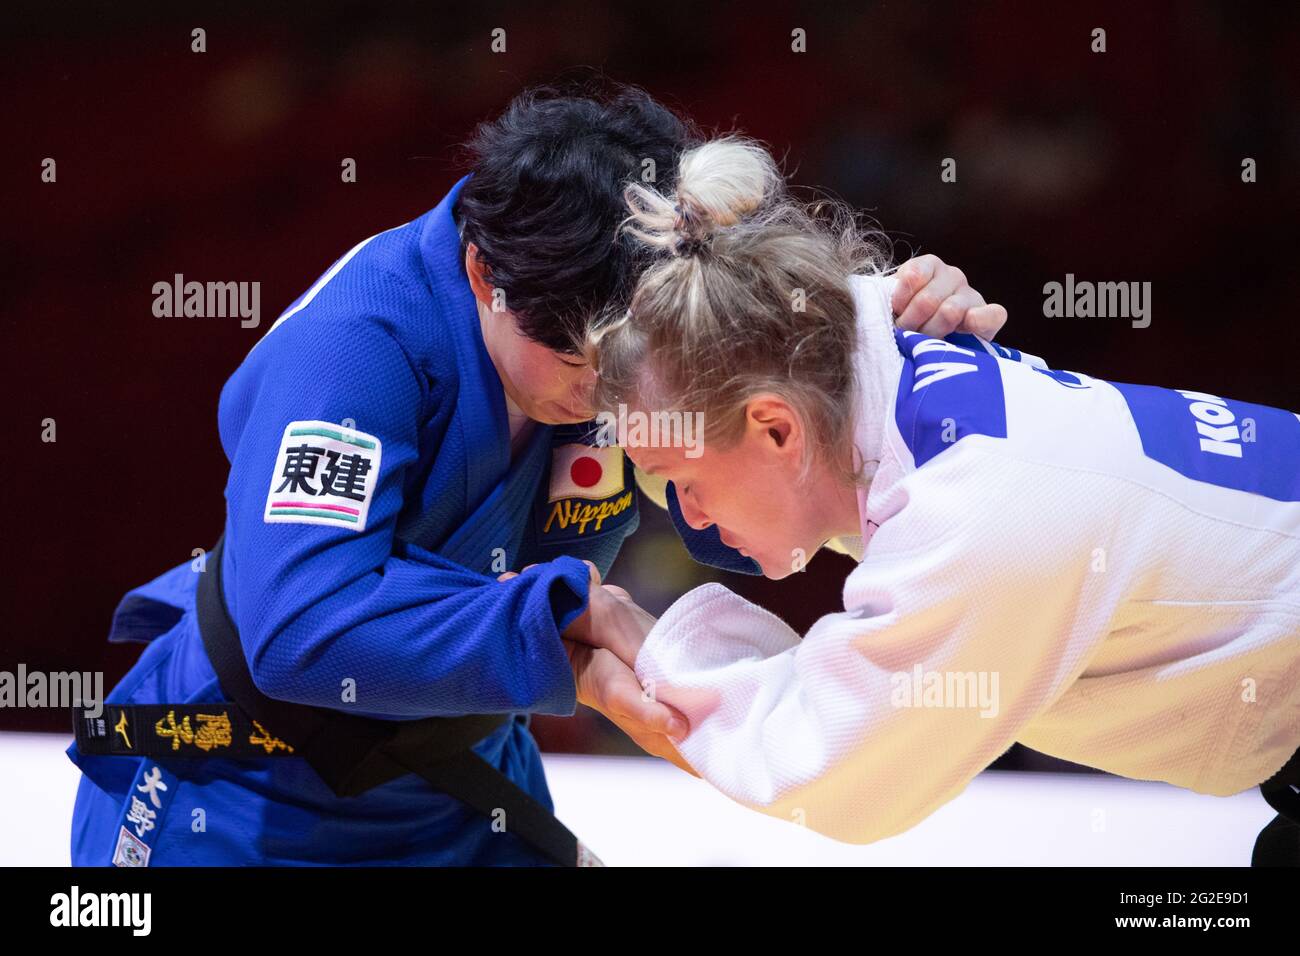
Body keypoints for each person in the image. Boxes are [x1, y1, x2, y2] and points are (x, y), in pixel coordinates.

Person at [68, 85, 1005, 867]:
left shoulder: (635, 305)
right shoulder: (355, 349)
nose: (609, 392)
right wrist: (566, 625)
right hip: (241, 799)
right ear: (484, 274)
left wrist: (891, 365)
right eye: (575, 358)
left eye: (628, 361)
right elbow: (302, 626)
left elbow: (759, 500)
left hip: (463, 782)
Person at [587, 137, 1300, 862]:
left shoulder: (974, 513)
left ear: (775, 427)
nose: (691, 516)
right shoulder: (871, 338)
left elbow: (834, 769)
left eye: (683, 479)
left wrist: (635, 649)